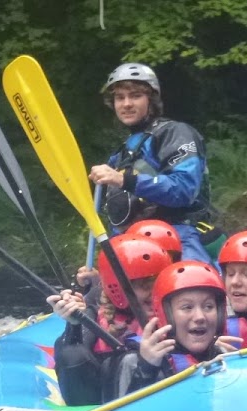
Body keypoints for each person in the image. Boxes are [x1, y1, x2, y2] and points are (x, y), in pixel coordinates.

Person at [88, 63, 226, 266]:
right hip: (134, 249)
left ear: (151, 100)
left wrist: (124, 179)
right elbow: (119, 219)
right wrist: (100, 275)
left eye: (135, 96)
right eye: (120, 97)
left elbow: (183, 189)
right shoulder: (120, 155)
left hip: (180, 240)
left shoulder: (175, 133)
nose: (126, 104)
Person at [46, 234, 173, 405]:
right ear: (116, 288)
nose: (153, 292)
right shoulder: (94, 318)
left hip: (167, 395)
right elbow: (72, 366)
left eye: (157, 283)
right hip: (111, 403)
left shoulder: (178, 313)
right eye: (144, 286)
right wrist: (74, 325)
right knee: (72, 353)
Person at [105, 261, 232, 400]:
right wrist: (146, 371)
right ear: (165, 315)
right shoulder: (133, 362)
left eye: (208, 306)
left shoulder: (225, 357)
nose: (200, 317)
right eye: (187, 307)